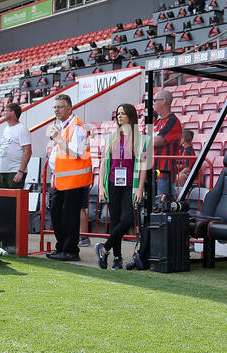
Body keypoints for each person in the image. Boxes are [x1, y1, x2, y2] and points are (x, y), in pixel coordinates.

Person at [96, 103, 150, 270]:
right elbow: (104, 164)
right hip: (112, 183)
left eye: (123, 114)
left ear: (130, 116)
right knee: (114, 221)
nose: (119, 116)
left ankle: (104, 248)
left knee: (127, 219)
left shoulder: (141, 139)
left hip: (130, 185)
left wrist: (140, 188)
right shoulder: (110, 137)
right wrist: (101, 187)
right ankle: (117, 258)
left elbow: (143, 167)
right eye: (118, 114)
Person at [45, 94, 91, 262]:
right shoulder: (63, 126)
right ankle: (62, 247)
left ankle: (70, 250)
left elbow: (77, 153)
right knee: (57, 213)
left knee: (69, 216)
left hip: (73, 179)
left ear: (70, 108)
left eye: (60, 106)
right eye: (55, 107)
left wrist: (58, 139)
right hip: (63, 178)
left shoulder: (77, 126)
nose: (56, 110)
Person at [149, 89, 182, 198]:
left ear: (163, 101)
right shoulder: (157, 122)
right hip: (152, 170)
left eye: (155, 100)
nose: (153, 103)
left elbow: (157, 141)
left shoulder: (173, 121)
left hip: (164, 171)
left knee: (162, 205)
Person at [0, 102, 32, 189]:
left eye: (6, 111)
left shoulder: (22, 129)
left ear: (13, 113)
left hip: (14, 171)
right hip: (3, 171)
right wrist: (0, 170)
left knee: (14, 200)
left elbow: (28, 151)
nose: (3, 113)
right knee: (3, 200)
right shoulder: (6, 129)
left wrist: (20, 171)